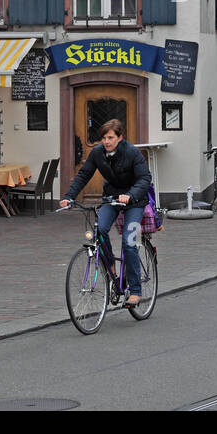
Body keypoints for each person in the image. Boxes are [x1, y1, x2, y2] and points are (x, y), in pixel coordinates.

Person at [59, 119, 151, 307]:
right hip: (111, 198)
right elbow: (84, 175)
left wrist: (130, 195)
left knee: (129, 241)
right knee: (99, 230)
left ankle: (135, 290)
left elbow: (144, 178)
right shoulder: (97, 153)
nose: (106, 141)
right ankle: (111, 269)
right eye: (103, 138)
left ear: (120, 137)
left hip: (135, 201)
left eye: (110, 137)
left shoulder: (132, 153)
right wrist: (69, 196)